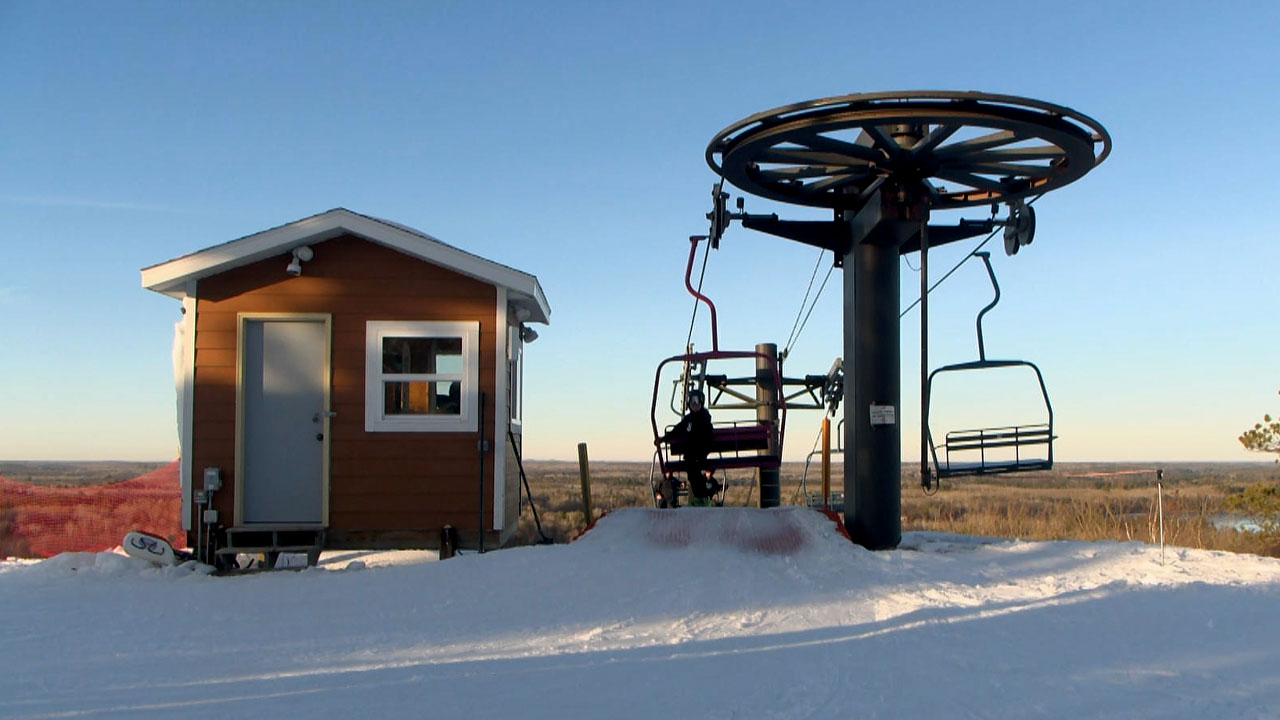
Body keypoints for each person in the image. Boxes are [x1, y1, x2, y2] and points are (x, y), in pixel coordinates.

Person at [660, 388, 717, 507]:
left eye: (696, 402)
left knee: (694, 472)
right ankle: (699, 498)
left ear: (701, 403)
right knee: (692, 474)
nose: (694, 404)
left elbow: (707, 439)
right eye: (692, 402)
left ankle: (702, 498)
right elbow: (677, 430)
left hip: (700, 454)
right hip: (691, 455)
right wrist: (664, 438)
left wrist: (702, 452)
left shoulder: (704, 420)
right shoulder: (688, 420)